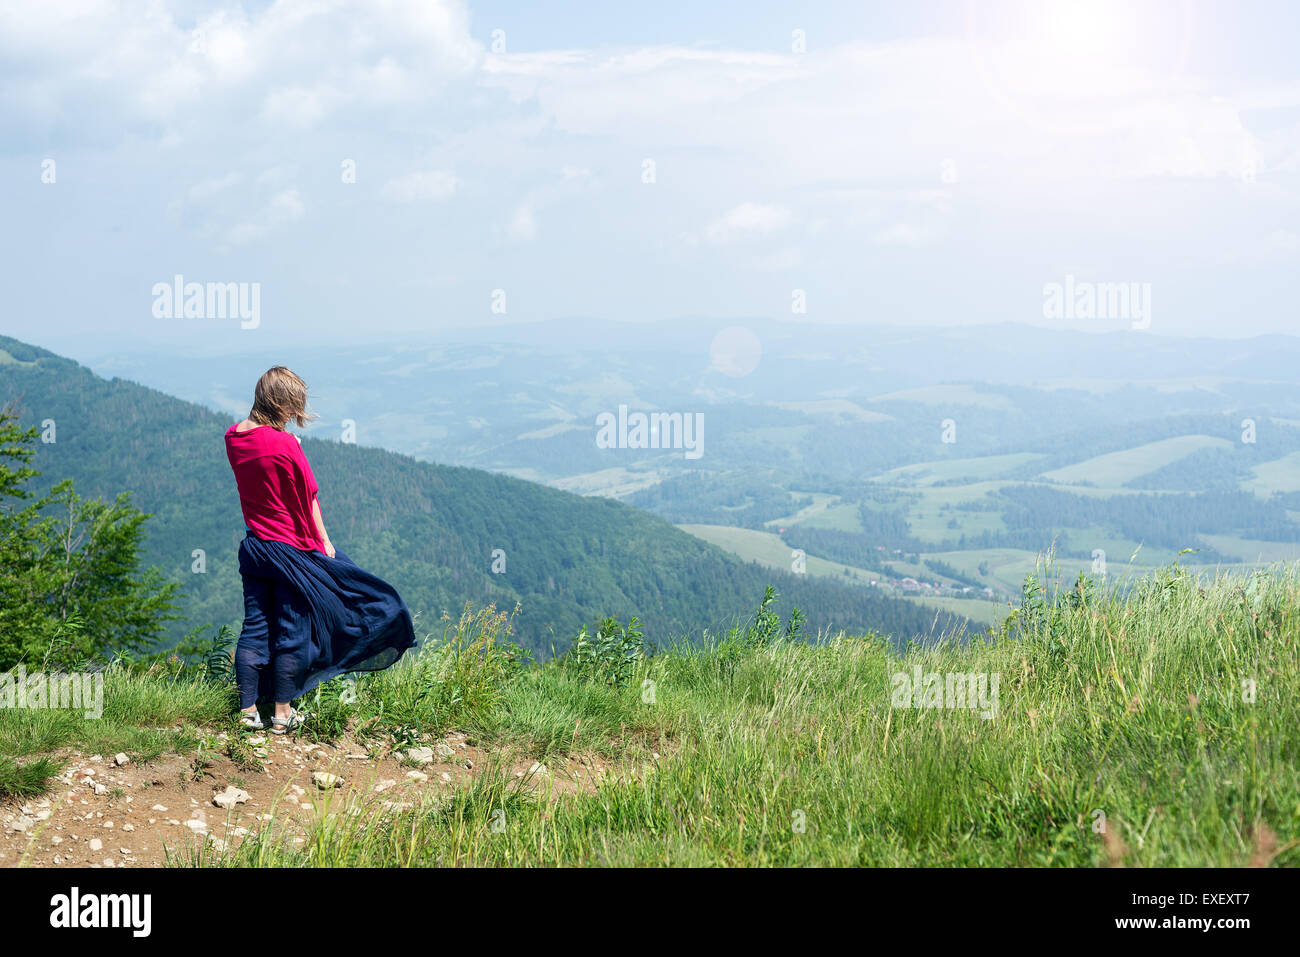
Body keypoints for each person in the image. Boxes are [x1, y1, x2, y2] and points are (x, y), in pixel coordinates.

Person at [224, 366, 415, 733]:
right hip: (292, 551)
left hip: (255, 549)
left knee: (254, 629)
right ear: (281, 402)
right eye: (292, 406)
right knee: (293, 630)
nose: (295, 415)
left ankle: (248, 713)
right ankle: (282, 714)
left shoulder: (233, 438)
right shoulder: (287, 445)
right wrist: (324, 542)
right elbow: (309, 497)